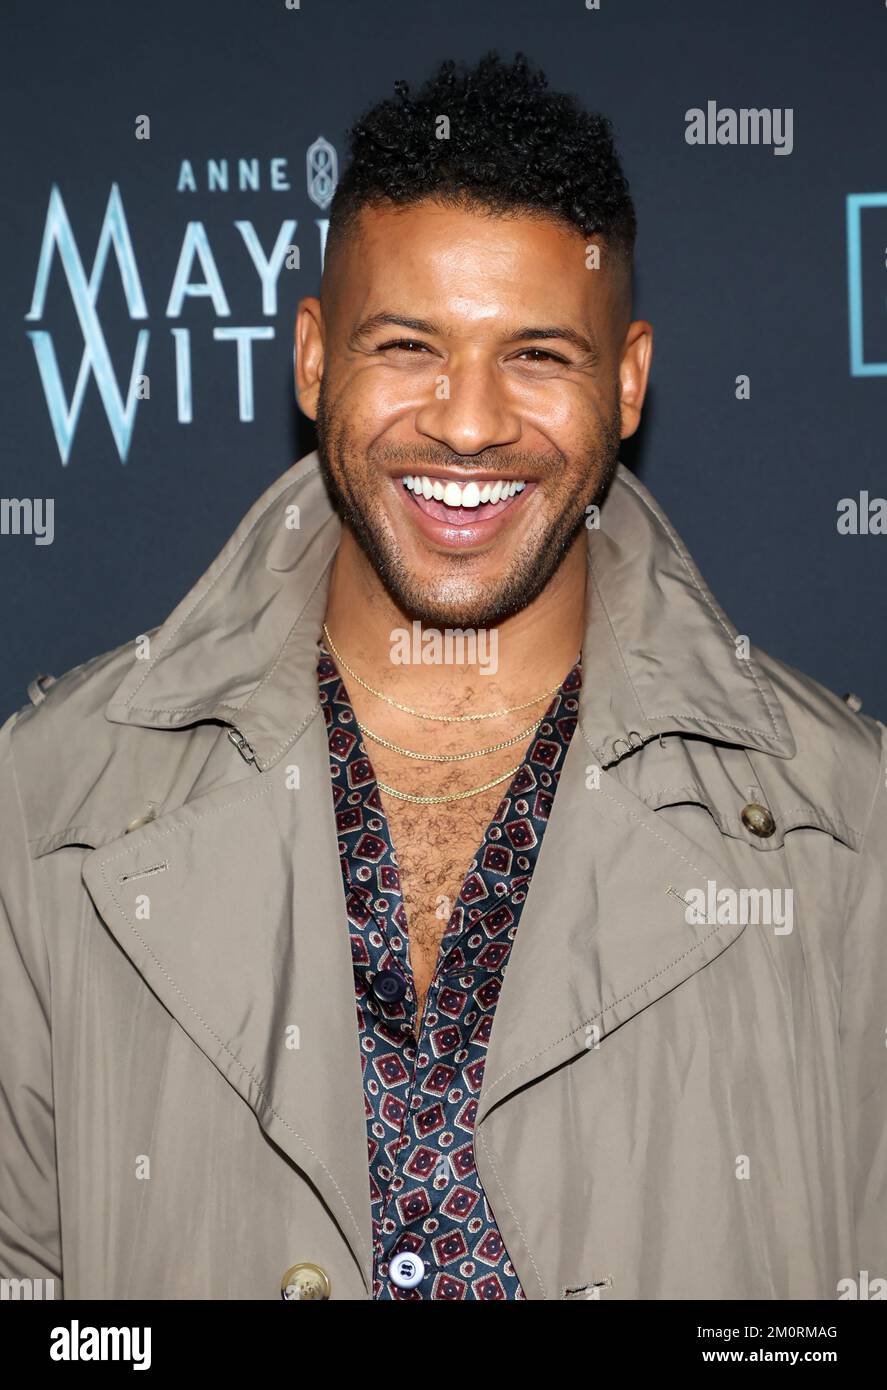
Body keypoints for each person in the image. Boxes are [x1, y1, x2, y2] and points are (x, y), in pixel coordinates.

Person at [1, 51, 884, 1302]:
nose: (466, 424)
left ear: (626, 383)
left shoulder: (846, 832)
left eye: (535, 355)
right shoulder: (42, 808)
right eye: (409, 344)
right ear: (312, 362)